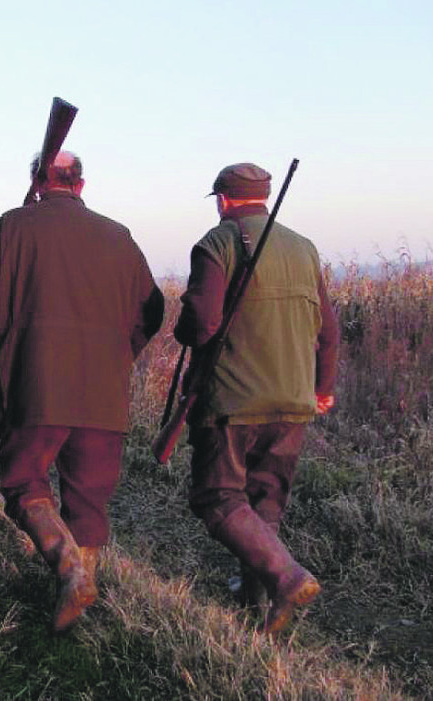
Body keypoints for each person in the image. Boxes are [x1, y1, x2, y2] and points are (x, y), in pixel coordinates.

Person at [0, 151, 164, 632]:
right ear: (82, 183)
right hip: (103, 394)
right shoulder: (119, 236)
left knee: (25, 482)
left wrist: (8, 229)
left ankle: (71, 573)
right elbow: (152, 312)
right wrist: (119, 355)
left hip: (36, 388)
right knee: (88, 501)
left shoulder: (12, 226)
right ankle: (75, 611)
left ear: (36, 180)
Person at [173, 162, 340, 634]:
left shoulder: (216, 243)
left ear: (223, 200)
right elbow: (329, 329)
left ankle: (286, 576)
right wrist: (322, 388)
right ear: (264, 198)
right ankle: (259, 601)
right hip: (293, 401)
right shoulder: (305, 249)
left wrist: (181, 324)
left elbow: (201, 324)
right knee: (265, 501)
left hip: (232, 400)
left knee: (218, 496)